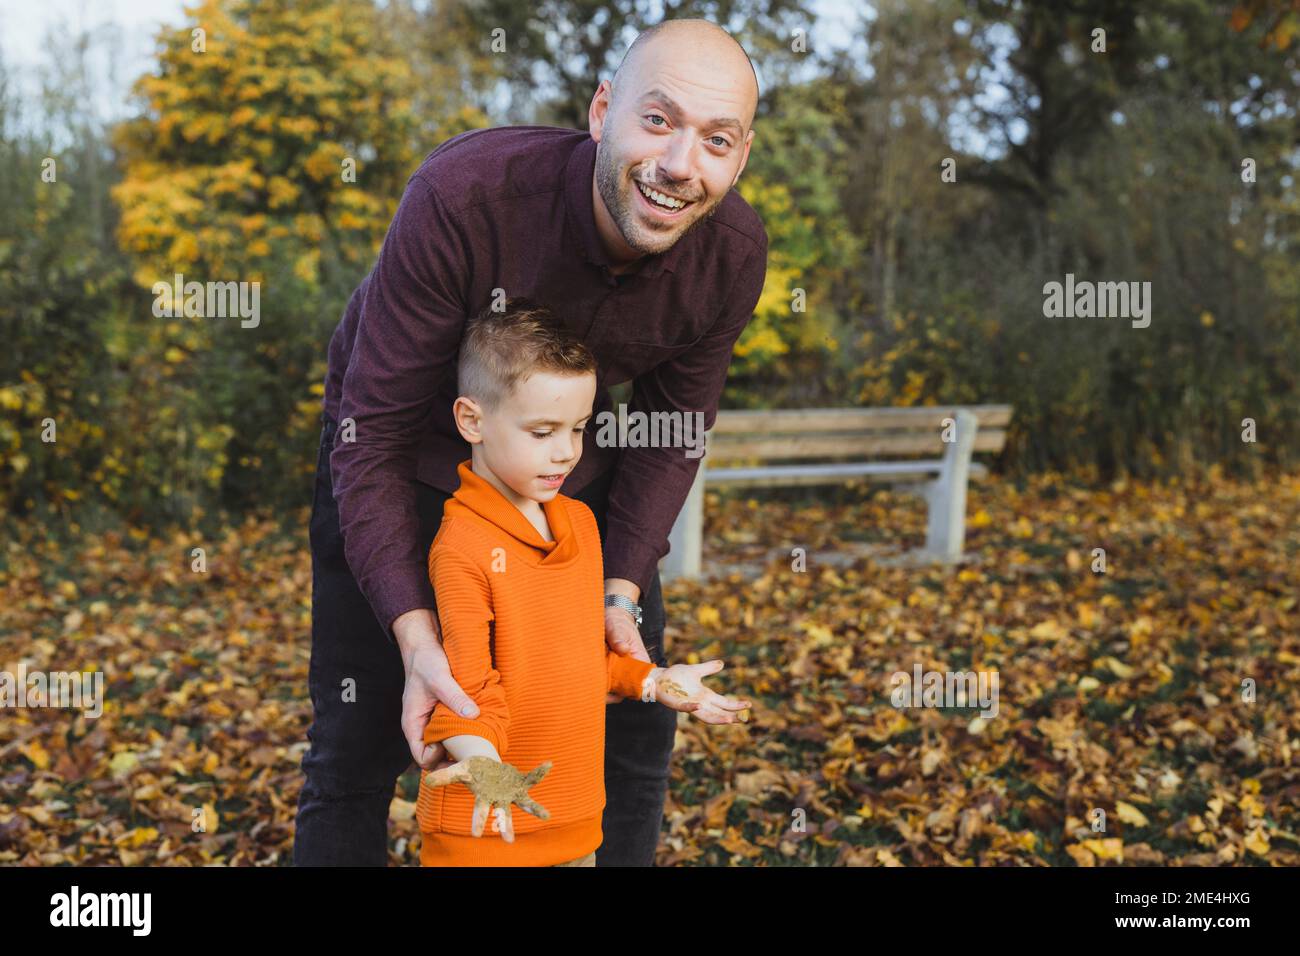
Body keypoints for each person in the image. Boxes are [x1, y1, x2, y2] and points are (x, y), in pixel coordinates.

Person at [295, 18, 767, 866]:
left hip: (557, 476)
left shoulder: (730, 257)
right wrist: (415, 637)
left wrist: (617, 593)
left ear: (740, 159)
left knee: (631, 728)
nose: (679, 165)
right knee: (363, 741)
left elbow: (669, 436)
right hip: (395, 460)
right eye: (657, 121)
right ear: (602, 112)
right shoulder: (465, 196)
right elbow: (373, 435)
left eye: (717, 140)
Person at [416, 300, 750, 867]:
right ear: (472, 420)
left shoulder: (580, 523)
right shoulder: (461, 546)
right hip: (488, 823)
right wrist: (484, 765)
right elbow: (468, 686)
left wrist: (654, 681)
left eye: (578, 429)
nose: (567, 451)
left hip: (574, 820)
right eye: (542, 431)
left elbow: (579, 661)